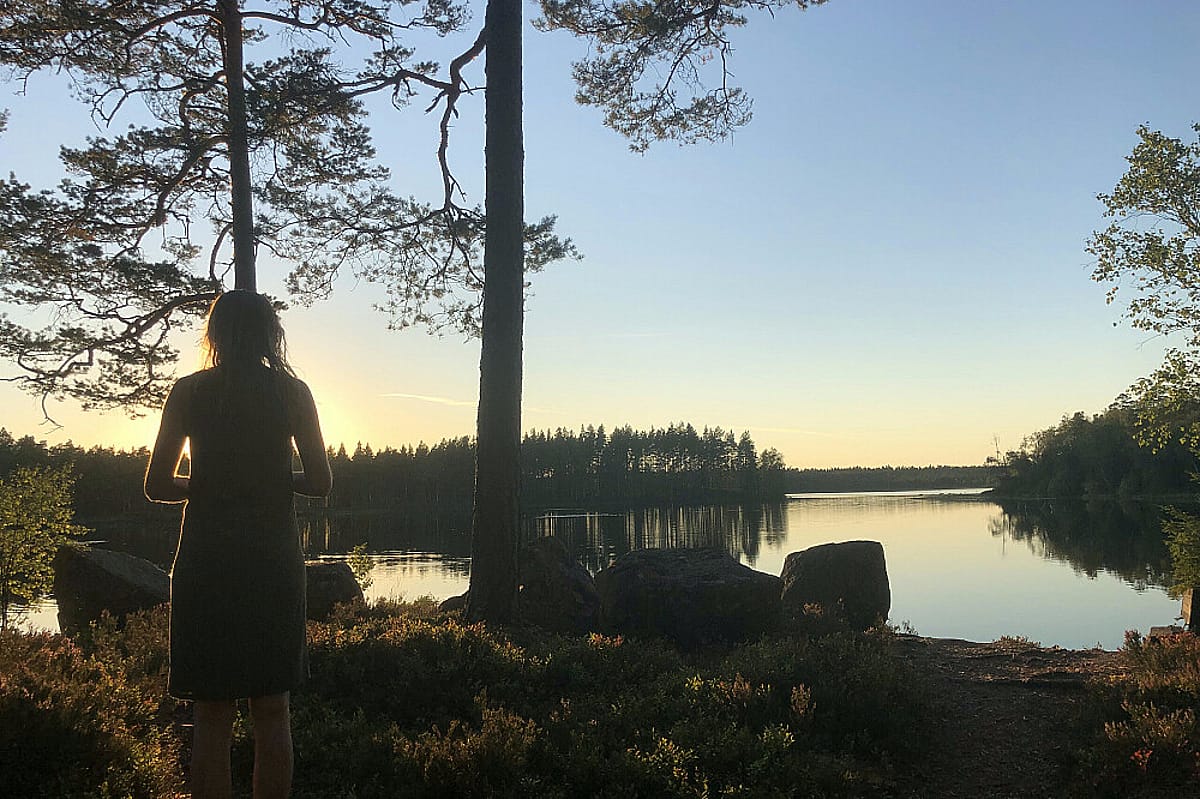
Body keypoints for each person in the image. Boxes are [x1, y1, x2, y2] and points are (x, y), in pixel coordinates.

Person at [145, 290, 332, 799]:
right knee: (273, 709)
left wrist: (206, 484)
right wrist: (271, 478)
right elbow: (320, 480)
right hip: (271, 561)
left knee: (210, 713)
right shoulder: (293, 393)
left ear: (215, 334)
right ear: (272, 333)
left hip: (208, 562)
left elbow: (158, 485)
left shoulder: (188, 392)